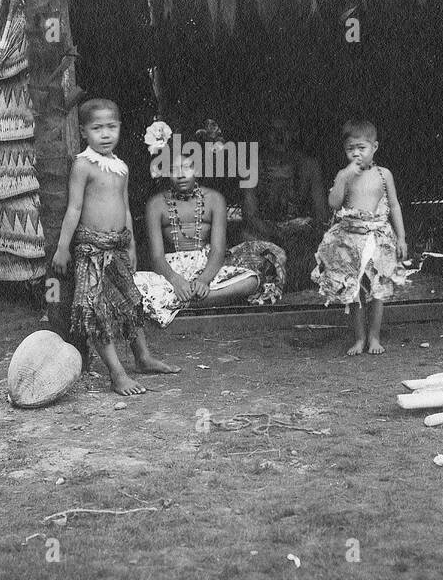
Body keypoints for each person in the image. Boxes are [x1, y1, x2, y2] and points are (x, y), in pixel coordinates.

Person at [52, 98, 180, 395]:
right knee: (96, 311)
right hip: (92, 250)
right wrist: (62, 247)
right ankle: (117, 373)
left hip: (119, 248)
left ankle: (143, 357)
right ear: (84, 132)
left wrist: (132, 244)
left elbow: (125, 208)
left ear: (120, 127)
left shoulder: (121, 168)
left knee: (130, 303)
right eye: (97, 128)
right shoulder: (83, 165)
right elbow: (74, 208)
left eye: (111, 127)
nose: (105, 134)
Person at [135, 149, 286, 327]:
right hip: (172, 270)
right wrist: (176, 281)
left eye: (187, 168)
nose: (181, 175)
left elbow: (218, 250)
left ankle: (183, 303)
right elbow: (156, 257)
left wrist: (203, 280)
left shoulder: (214, 199)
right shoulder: (156, 204)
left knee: (251, 281)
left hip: (207, 266)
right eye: (174, 170)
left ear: (198, 170)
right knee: (135, 285)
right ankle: (195, 299)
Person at [313, 120, 412, 355]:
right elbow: (333, 204)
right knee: (353, 289)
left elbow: (394, 206)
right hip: (350, 239)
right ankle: (359, 338)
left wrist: (401, 238)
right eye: (350, 149)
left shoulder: (384, 174)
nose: (356, 154)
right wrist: (343, 177)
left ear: (374, 147)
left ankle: (374, 337)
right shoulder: (344, 175)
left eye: (362, 148)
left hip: (378, 237)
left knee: (378, 289)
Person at [242, 114, 328, 291]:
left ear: (294, 133)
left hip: (299, 234)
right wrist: (276, 233)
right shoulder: (252, 166)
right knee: (248, 239)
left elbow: (321, 214)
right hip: (266, 232)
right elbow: (249, 215)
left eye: (286, 130)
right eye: (274, 131)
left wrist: (301, 228)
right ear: (265, 134)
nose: (280, 136)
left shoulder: (309, 166)